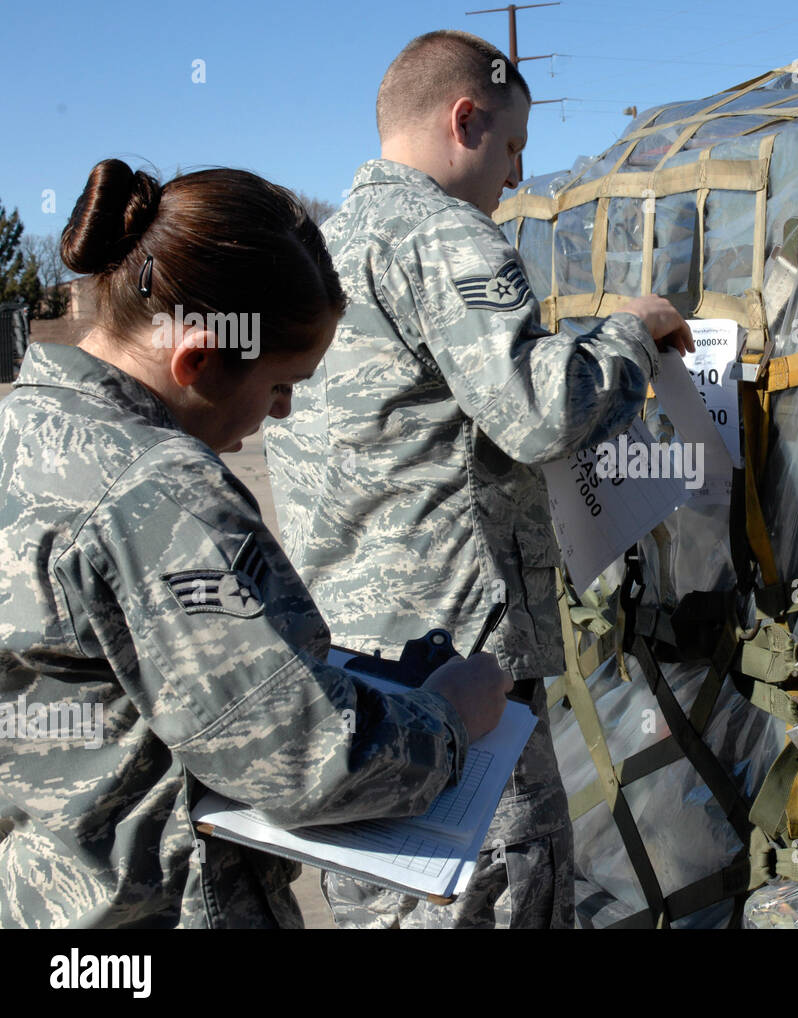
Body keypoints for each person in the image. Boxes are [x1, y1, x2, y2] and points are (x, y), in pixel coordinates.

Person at [0, 158, 512, 928]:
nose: (280, 415)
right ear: (198, 357)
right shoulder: (161, 490)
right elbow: (305, 760)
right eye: (280, 386)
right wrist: (449, 721)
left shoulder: (22, 427)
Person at [263, 29, 693, 929]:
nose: (513, 179)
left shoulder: (326, 247)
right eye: (511, 149)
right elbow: (539, 415)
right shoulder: (445, 236)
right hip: (461, 683)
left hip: (356, 680)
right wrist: (633, 332)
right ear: (465, 120)